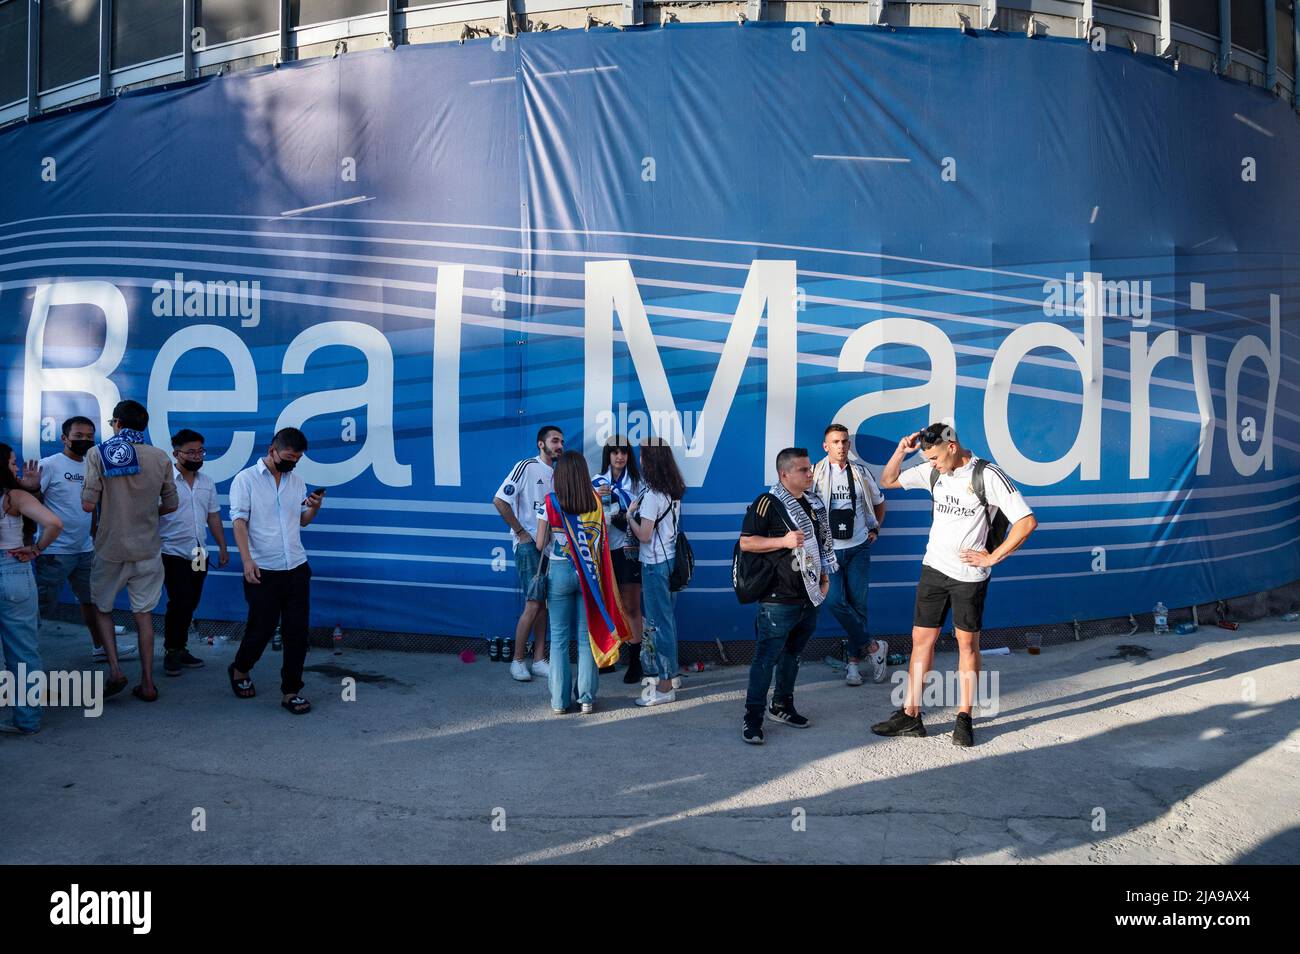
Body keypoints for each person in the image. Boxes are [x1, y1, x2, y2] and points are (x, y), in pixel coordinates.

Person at [872, 423, 1037, 747]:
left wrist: (993, 557)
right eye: (927, 458)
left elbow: (1026, 521)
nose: (930, 463)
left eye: (933, 456)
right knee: (922, 639)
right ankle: (911, 714)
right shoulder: (935, 472)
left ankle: (964, 717)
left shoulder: (987, 476)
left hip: (969, 578)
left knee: (966, 645)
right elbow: (887, 480)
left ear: (951, 447)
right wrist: (901, 451)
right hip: (933, 568)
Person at [80, 400, 179, 702]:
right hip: (148, 548)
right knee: (144, 616)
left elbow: (87, 505)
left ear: (118, 424)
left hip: (110, 547)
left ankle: (115, 671)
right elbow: (172, 505)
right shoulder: (160, 457)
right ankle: (148, 683)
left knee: (103, 608)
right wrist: (146, 512)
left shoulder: (98, 453)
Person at [737, 448, 837, 745]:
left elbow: (819, 545)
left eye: (809, 469)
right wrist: (782, 540)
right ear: (785, 474)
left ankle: (782, 705)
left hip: (808, 595)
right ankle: (752, 718)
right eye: (804, 470)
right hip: (777, 598)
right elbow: (746, 543)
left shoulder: (813, 503)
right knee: (765, 659)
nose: (810, 474)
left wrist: (825, 577)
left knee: (793, 656)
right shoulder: (767, 503)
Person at [227, 428, 325, 715]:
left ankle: (291, 691)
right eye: (288, 456)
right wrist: (247, 561)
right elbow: (239, 523)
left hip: (296, 566)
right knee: (262, 628)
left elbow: (302, 521)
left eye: (297, 458)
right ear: (272, 450)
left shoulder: (297, 481)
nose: (292, 462)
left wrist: (315, 508)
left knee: (297, 631)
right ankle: (240, 669)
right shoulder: (245, 480)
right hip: (262, 567)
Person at [23, 416, 135, 663]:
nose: (84, 440)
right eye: (78, 435)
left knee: (94, 602)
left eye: (89, 436)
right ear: (64, 438)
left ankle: (101, 648)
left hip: (86, 551)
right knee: (39, 607)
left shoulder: (93, 464)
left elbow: (93, 506)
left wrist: (95, 537)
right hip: (55, 553)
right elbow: (31, 505)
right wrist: (32, 489)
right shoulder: (49, 465)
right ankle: (22, 654)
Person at [536, 451, 630, 715]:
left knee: (559, 638)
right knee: (585, 638)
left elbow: (540, 544)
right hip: (590, 575)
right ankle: (586, 698)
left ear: (560, 475)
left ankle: (559, 701)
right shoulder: (598, 502)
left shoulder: (550, 502)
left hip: (559, 572)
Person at [812, 423, 889, 686]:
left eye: (844, 442)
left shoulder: (860, 473)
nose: (841, 447)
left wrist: (874, 530)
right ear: (826, 446)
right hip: (828, 553)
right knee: (833, 601)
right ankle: (875, 648)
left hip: (857, 548)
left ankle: (854, 665)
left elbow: (879, 504)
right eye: (835, 442)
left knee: (859, 606)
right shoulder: (816, 473)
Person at [0, 443, 63, 735]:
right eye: (12, 462)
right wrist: (37, 549)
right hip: (14, 569)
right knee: (23, 651)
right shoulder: (14, 497)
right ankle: (27, 719)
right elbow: (53, 523)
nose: (16, 466)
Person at [493, 425, 563, 682]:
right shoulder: (526, 466)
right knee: (533, 603)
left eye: (561, 442)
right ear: (540, 444)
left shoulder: (558, 474)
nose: (559, 445)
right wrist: (521, 532)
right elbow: (500, 500)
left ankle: (539, 660)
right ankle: (517, 660)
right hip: (528, 546)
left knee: (543, 604)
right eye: (554, 441)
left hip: (551, 549)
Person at [159, 429, 229, 677]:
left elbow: (213, 515)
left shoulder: (206, 482)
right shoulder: (164, 481)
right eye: (191, 452)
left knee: (192, 601)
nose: (197, 455)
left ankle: (181, 647)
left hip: (200, 553)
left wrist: (221, 545)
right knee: (179, 601)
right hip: (171, 552)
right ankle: (171, 651)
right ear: (176, 453)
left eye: (200, 451)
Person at [627, 438, 686, 707]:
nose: (638, 460)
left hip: (654, 565)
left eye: (642, 456)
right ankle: (671, 676)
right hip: (670, 561)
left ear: (649, 461)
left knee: (658, 624)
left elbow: (645, 535)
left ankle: (664, 686)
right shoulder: (673, 490)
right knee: (667, 621)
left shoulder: (651, 496)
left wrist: (629, 516)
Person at [593, 435, 645, 684]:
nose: (619, 456)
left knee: (631, 606)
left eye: (623, 451)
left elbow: (643, 516)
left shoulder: (638, 482)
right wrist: (598, 497)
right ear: (608, 455)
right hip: (602, 551)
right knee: (606, 603)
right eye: (614, 452)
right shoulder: (596, 481)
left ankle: (636, 662)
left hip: (628, 551)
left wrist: (621, 506)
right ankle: (608, 657)